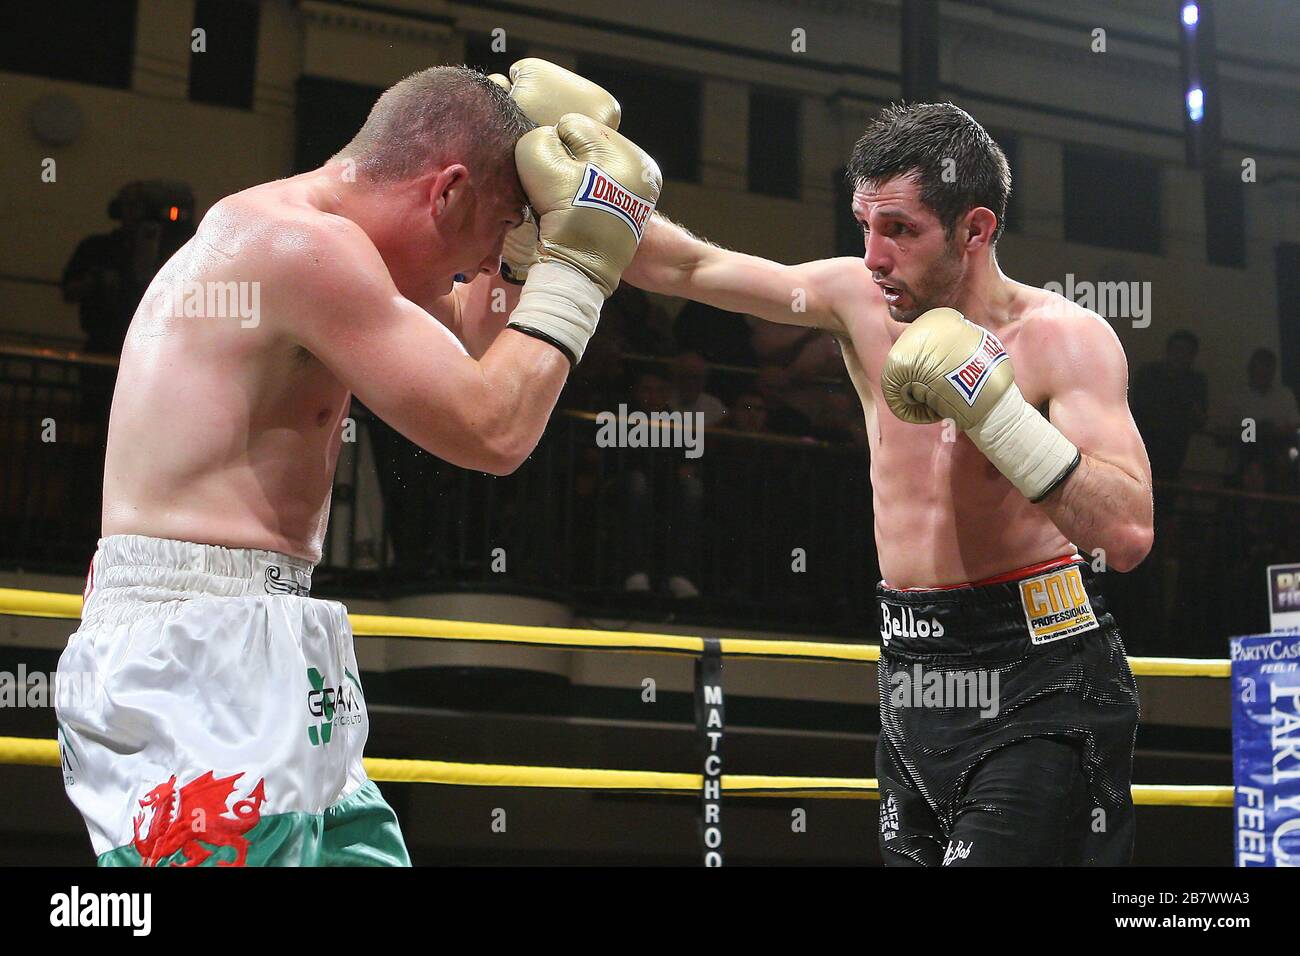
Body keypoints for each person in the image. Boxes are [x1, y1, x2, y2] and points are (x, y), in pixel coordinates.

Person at [55, 61, 660, 866]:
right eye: (497, 232)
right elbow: (493, 428)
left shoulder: (349, 253)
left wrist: (530, 248)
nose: (485, 269)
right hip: (192, 648)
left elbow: (486, 346)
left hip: (274, 634)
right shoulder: (299, 246)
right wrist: (580, 265)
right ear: (445, 192)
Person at [624, 101, 1152, 865]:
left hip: (1040, 677)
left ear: (975, 229)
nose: (874, 256)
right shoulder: (854, 299)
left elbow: (1129, 532)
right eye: (864, 226)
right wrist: (577, 197)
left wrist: (997, 415)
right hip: (912, 678)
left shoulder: (1063, 339)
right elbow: (688, 266)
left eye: (901, 230)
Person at [1130, 330, 1208, 483]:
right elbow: (1138, 408)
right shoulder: (1148, 374)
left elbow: (1200, 418)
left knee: (1166, 490)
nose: (1180, 356)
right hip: (1143, 442)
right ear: (1168, 350)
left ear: (1192, 357)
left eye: (1186, 352)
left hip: (1174, 447)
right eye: (1177, 350)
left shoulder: (1195, 381)